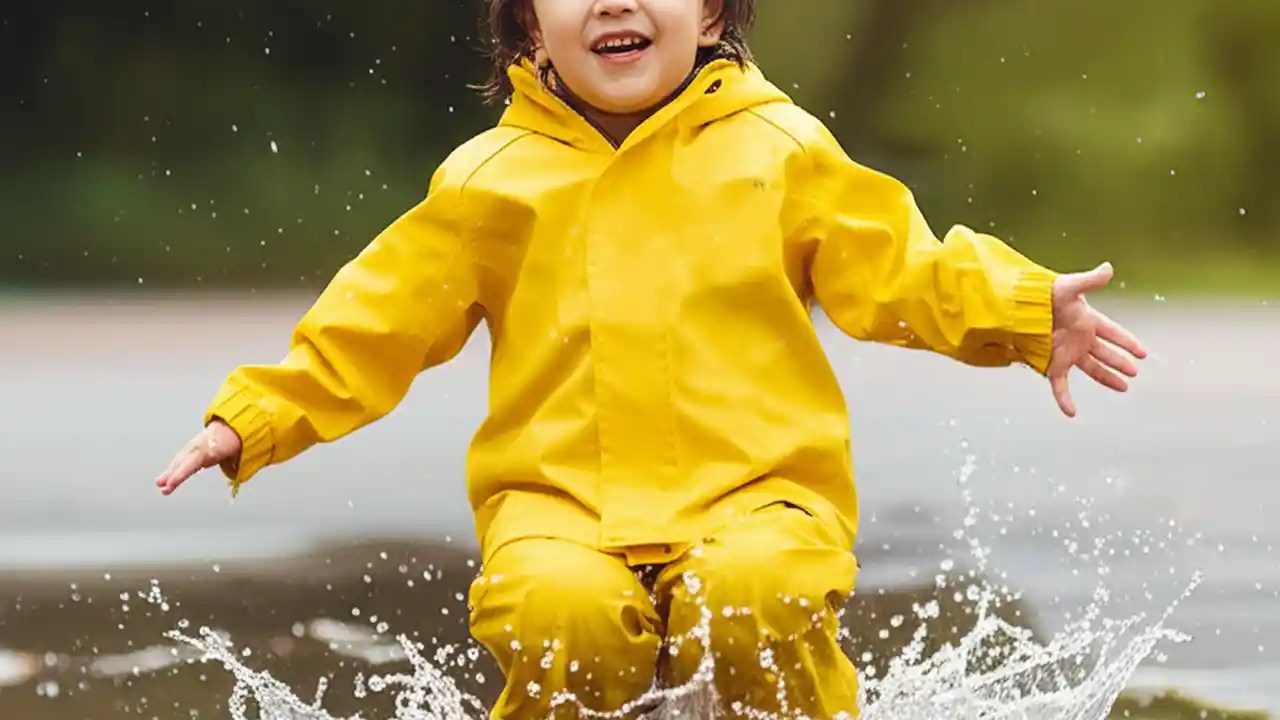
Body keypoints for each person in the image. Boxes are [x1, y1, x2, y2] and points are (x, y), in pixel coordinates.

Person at [154, 0, 1147, 717]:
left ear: (712, 15)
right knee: (557, 617)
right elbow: (373, 323)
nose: (615, 3)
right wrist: (250, 419)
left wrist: (1020, 312)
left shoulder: (780, 149)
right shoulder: (485, 183)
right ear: (528, 26)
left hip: (758, 493)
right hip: (559, 511)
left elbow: (898, 268)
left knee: (756, 594)